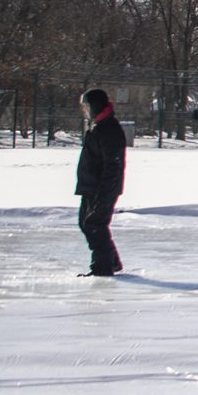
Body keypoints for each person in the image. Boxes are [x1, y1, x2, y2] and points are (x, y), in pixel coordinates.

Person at [75, 87, 129, 276]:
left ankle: (103, 266)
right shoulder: (97, 126)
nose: (85, 110)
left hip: (102, 188)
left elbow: (113, 165)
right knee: (86, 223)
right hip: (90, 186)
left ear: (96, 106)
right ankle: (111, 261)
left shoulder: (109, 129)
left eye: (87, 106)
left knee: (94, 224)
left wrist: (104, 192)